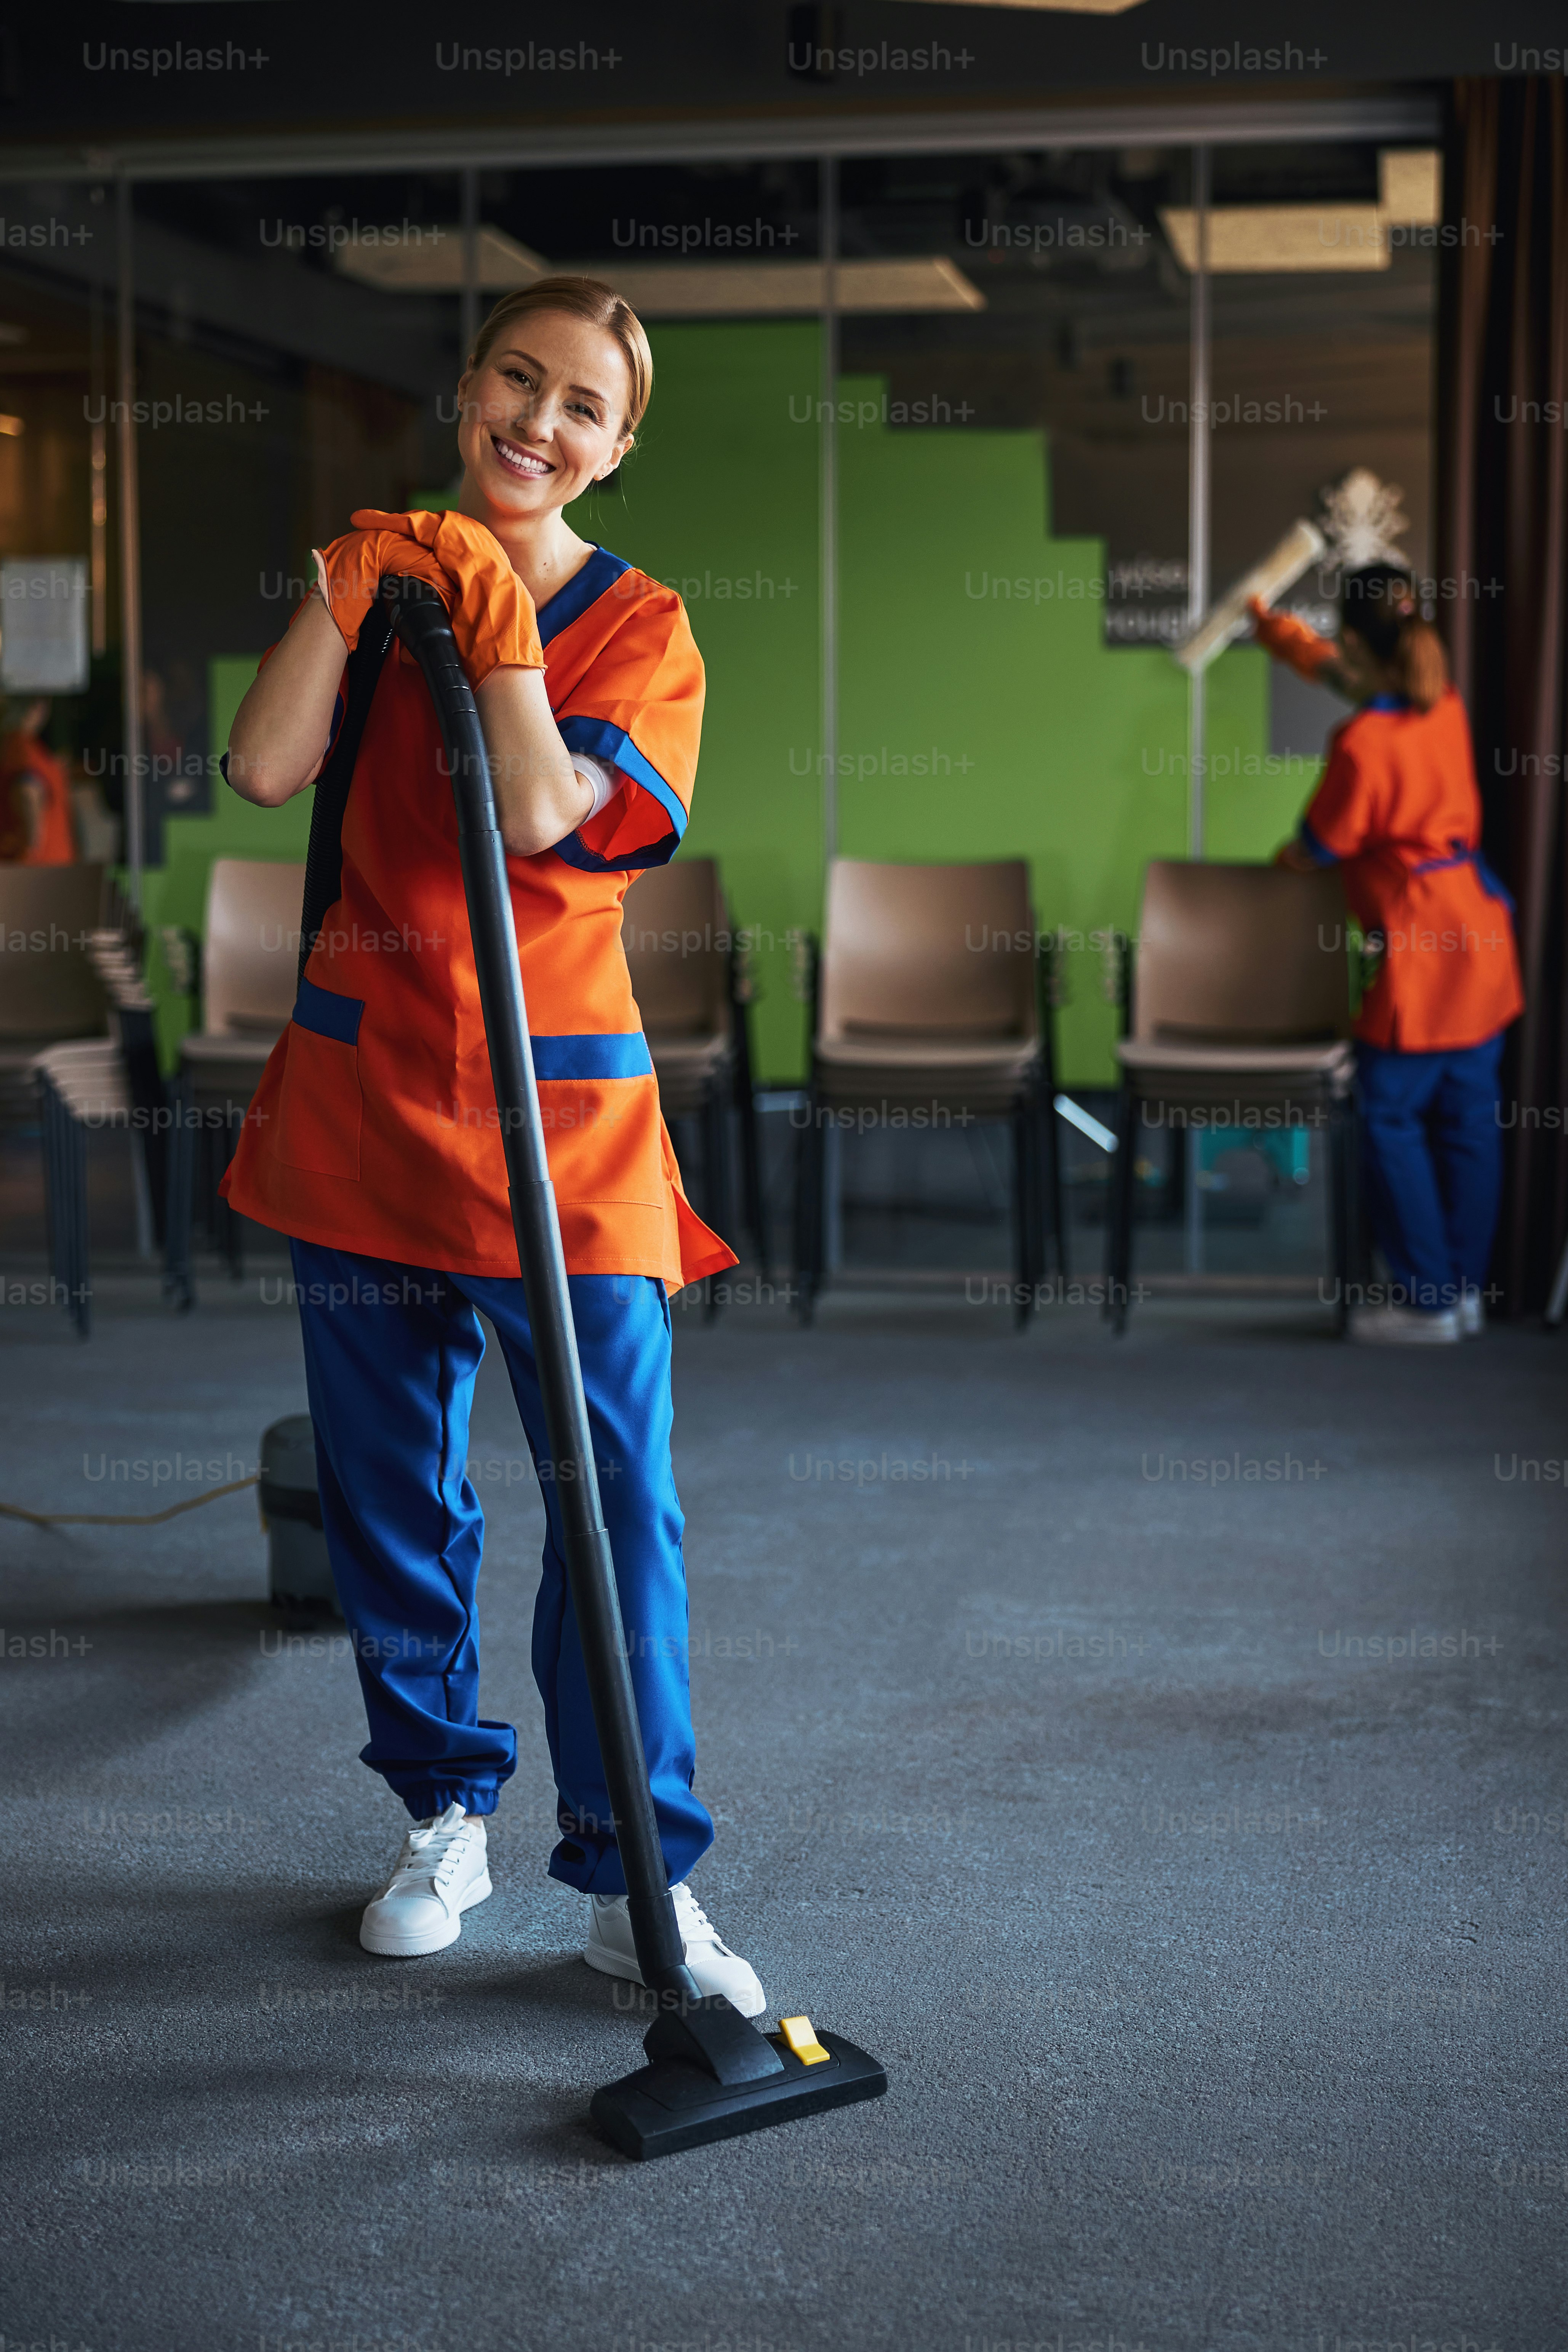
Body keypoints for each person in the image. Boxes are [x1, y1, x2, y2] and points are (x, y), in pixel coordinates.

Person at [221, 277, 763, 2010]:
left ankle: (633, 1878)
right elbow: (259, 767)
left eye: (583, 404)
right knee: (395, 1501)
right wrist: (351, 584)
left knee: (615, 1508)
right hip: (369, 1120)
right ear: (466, 392)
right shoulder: (378, 586)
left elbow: (542, 810)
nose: (540, 419)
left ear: (619, 448)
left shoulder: (649, 628)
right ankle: (439, 1807)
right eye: (517, 379)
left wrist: (496, 625)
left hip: (566, 1139)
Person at [1251, 565, 1523, 1345]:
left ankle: (1426, 1300)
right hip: (1479, 932)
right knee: (1470, 1121)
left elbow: (1321, 843)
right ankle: (1464, 1293)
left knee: (1390, 1116)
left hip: (1422, 949)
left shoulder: (1363, 743)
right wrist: (1275, 632)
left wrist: (1283, 867)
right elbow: (1342, 674)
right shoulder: (1442, 703)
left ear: (1352, 637)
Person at [0, 698, 76, 864]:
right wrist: (31, 851)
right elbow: (27, 791)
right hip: (39, 872)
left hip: (43, 871)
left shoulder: (21, 747)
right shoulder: (21, 748)